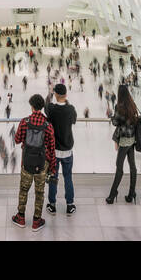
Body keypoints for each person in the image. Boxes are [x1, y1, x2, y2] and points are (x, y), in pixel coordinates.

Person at [12, 94, 57, 233]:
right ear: (42, 107)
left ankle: (20, 217)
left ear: (31, 106)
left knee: (23, 190)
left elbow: (17, 139)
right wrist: (53, 168)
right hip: (42, 164)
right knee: (39, 192)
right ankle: (37, 221)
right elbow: (51, 148)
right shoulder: (48, 126)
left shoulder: (24, 122)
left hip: (26, 163)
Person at [45, 83, 78, 215]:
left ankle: (52, 204)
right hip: (67, 149)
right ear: (65, 95)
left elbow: (46, 105)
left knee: (53, 176)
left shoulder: (51, 109)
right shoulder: (70, 109)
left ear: (56, 95)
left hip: (54, 150)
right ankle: (70, 205)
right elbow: (74, 120)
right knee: (68, 177)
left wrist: (50, 93)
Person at [106, 85, 141, 204]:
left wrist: (112, 116)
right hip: (132, 140)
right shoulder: (132, 105)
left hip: (124, 141)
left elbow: (116, 122)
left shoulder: (119, 107)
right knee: (133, 167)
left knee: (119, 168)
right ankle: (131, 193)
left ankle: (112, 195)